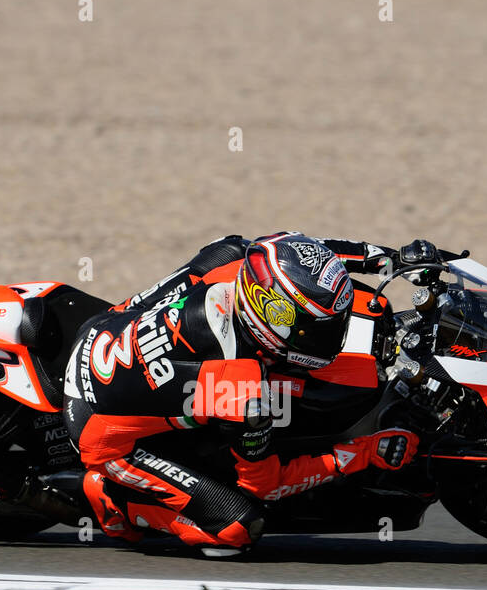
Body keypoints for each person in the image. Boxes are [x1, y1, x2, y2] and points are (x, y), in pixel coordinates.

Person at [62, 232, 436, 556]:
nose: (330, 337)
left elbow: (308, 254)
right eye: (314, 329)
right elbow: (267, 485)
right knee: (235, 530)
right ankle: (115, 504)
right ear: (271, 319)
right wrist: (366, 452)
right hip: (100, 431)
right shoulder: (241, 388)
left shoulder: (236, 257)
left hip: (106, 327)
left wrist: (392, 259)